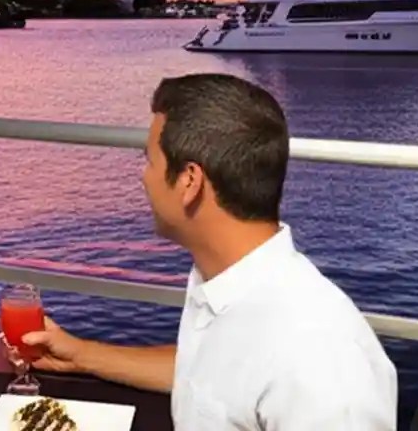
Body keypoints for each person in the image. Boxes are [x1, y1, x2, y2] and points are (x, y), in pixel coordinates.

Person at [23, 73, 397, 429]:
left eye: (149, 160)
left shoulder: (319, 361)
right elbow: (208, 375)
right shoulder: (228, 279)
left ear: (189, 181)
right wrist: (81, 355)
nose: (143, 176)